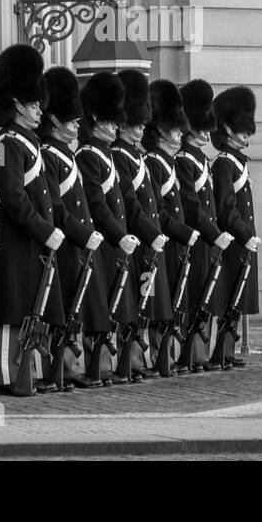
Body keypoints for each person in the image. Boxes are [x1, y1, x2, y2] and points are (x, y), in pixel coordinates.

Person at [0, 44, 66, 396]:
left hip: (31, 241)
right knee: (10, 313)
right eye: (33, 104)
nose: (39, 110)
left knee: (29, 311)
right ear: (16, 104)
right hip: (14, 241)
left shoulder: (27, 141)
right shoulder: (6, 144)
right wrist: (46, 231)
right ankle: (8, 377)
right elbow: (15, 200)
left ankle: (25, 375)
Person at [38, 66, 108, 389]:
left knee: (78, 308)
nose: (78, 124)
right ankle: (62, 365)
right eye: (71, 119)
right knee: (65, 308)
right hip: (66, 242)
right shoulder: (49, 155)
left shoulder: (67, 154)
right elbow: (58, 208)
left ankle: (72, 364)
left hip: (79, 243)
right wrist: (82, 234)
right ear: (54, 120)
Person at [75, 72, 140, 385]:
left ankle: (108, 365)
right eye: (112, 120)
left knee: (115, 307)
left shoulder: (105, 155)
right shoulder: (88, 155)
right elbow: (97, 205)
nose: (117, 126)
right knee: (99, 308)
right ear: (97, 118)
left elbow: (123, 203)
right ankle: (95, 365)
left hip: (116, 243)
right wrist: (118, 234)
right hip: (102, 244)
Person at [113, 69, 171, 379]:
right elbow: (131, 204)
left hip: (147, 238)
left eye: (141, 123)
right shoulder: (119, 155)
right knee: (132, 304)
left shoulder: (137, 156)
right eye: (134, 123)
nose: (139, 129)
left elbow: (152, 202)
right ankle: (130, 361)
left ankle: (139, 360)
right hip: (134, 239)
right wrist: (151, 234)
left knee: (145, 304)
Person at [142, 80, 200, 375]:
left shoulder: (168, 161)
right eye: (176, 128)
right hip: (162, 243)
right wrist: (181, 232)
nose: (181, 133)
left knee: (172, 302)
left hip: (174, 245)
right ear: (162, 129)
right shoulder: (153, 162)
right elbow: (159, 212)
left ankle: (167, 355)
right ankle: (155, 356)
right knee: (158, 305)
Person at [174, 79, 232, 372]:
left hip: (209, 242)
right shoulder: (183, 160)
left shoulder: (201, 159)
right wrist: (213, 234)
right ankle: (191, 354)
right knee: (195, 298)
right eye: (199, 129)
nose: (204, 134)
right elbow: (193, 208)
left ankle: (202, 353)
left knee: (208, 298)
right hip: (196, 241)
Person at [209, 85, 261, 370]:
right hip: (233, 246)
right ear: (228, 129)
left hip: (243, 244)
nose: (246, 133)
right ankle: (220, 352)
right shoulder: (224, 164)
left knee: (236, 302)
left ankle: (227, 352)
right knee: (229, 300)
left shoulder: (237, 162)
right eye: (241, 129)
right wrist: (246, 235)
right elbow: (226, 210)